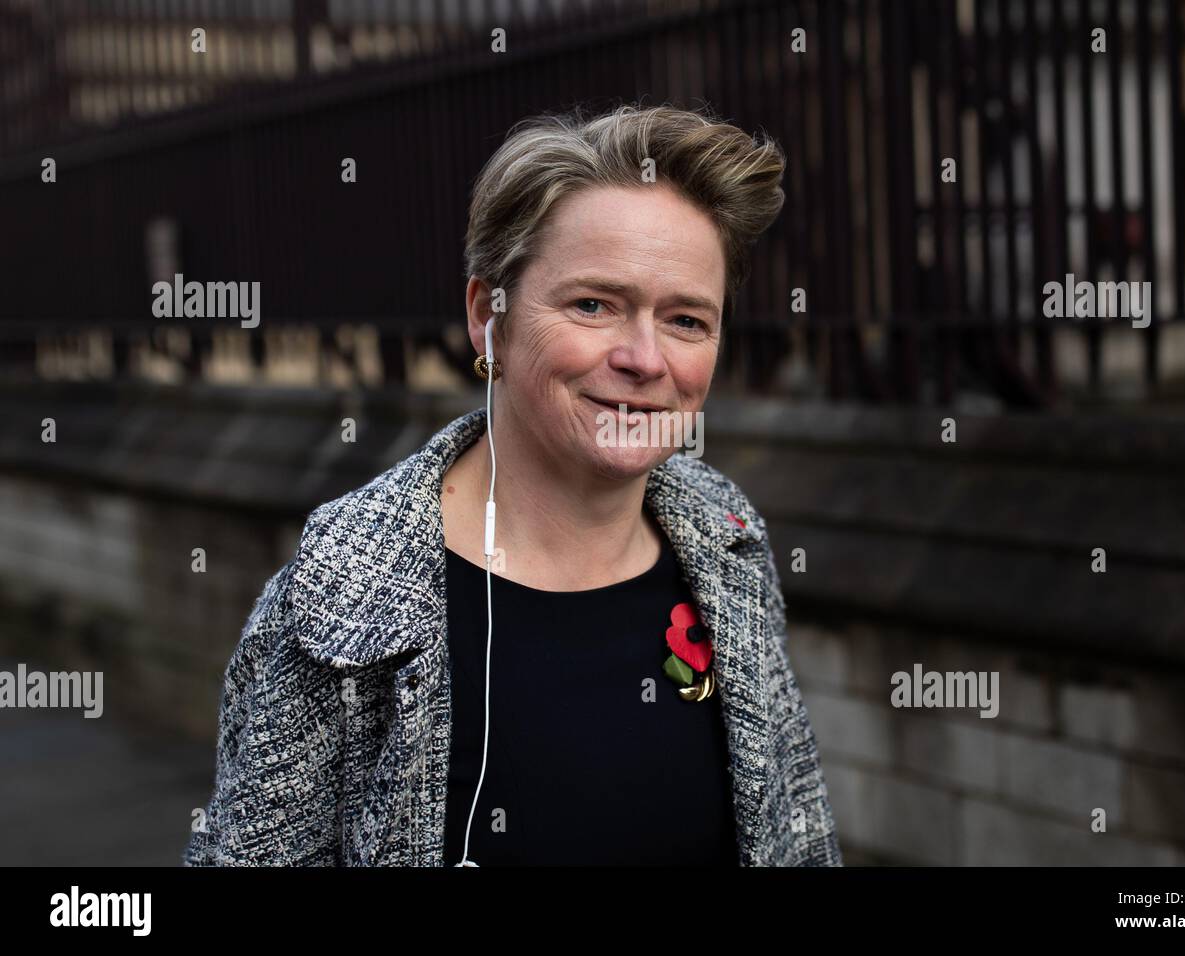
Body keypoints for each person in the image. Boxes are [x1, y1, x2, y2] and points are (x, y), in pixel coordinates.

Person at [184, 103, 841, 866]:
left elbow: (798, 838)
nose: (644, 358)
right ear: (486, 317)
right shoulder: (335, 606)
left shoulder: (729, 544)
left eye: (687, 320)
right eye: (594, 304)